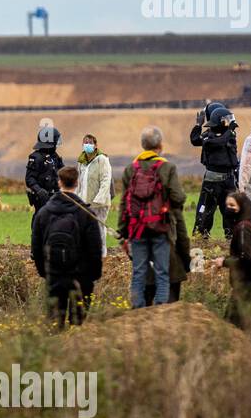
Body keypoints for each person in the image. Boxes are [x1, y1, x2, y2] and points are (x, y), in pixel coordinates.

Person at [117, 126, 186, 308]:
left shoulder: (130, 169)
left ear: (142, 145)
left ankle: (138, 311)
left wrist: (122, 231)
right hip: (159, 227)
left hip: (136, 229)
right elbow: (178, 197)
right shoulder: (167, 167)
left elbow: (124, 203)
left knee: (138, 272)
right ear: (160, 145)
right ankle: (160, 310)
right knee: (162, 272)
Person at [31, 166, 103, 327]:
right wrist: (94, 274)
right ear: (77, 183)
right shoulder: (86, 213)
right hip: (81, 277)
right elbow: (95, 248)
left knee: (54, 324)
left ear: (59, 182)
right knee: (78, 324)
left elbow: (36, 247)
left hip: (54, 275)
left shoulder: (44, 213)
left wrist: (45, 272)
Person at [190, 102, 240, 239]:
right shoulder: (209, 137)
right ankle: (201, 235)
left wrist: (230, 131)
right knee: (205, 210)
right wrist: (197, 125)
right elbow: (197, 140)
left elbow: (224, 140)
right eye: (225, 120)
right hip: (212, 180)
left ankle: (232, 236)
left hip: (228, 180)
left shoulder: (229, 135)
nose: (228, 122)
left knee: (230, 210)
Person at [221, 191, 251, 328]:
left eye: (232, 205)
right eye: (227, 205)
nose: (228, 208)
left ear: (242, 207)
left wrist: (224, 262)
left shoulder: (243, 230)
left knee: (233, 325)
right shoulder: (248, 226)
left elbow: (245, 259)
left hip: (248, 285)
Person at [144, 208, 192, 306]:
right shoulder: (172, 207)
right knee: (170, 312)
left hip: (146, 268)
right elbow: (182, 239)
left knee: (144, 313)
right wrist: (186, 264)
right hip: (171, 267)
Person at [76, 135, 113, 256]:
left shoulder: (102, 159)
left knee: (98, 227)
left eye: (90, 142)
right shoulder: (81, 162)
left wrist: (99, 199)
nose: (87, 144)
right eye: (85, 142)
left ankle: (102, 254)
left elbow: (105, 180)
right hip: (84, 201)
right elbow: (79, 182)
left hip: (99, 203)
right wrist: (76, 197)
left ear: (96, 145)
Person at [25, 124, 63, 211]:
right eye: (55, 141)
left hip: (56, 198)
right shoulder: (36, 157)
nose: (57, 144)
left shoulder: (55, 157)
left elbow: (63, 174)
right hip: (42, 200)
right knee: (41, 221)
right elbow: (29, 179)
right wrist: (39, 191)